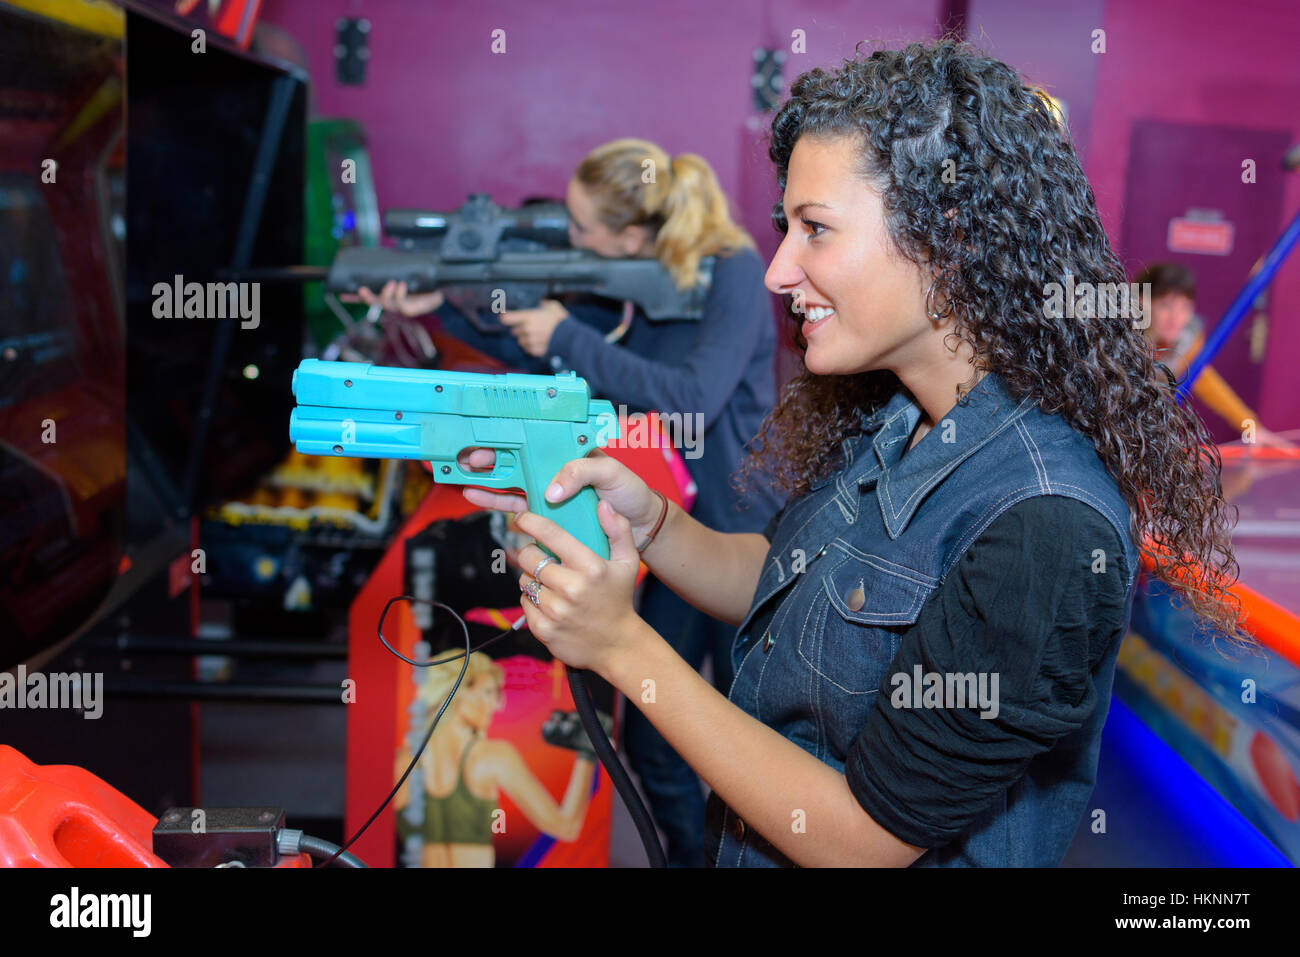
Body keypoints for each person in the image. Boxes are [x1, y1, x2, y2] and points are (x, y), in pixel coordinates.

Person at [460, 40, 1249, 866]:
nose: (776, 269)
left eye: (816, 230)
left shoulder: (1045, 522)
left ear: (947, 237)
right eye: (785, 228)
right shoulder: (895, 416)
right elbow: (784, 578)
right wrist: (646, 520)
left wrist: (624, 647)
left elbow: (864, 838)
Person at [361, 139, 783, 866]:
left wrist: (565, 333)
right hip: (658, 525)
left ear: (630, 237)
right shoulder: (630, 275)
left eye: (583, 229)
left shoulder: (735, 268)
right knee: (656, 739)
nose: (570, 238)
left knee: (754, 739)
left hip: (739, 531)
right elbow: (567, 366)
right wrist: (445, 309)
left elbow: (692, 395)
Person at [393, 651, 596, 868]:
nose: (497, 704)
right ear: (457, 693)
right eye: (488, 692)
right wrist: (588, 751)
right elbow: (566, 827)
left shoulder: (404, 762)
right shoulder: (492, 757)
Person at [1137, 261, 1292, 448]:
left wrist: (1252, 427)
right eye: (1165, 305)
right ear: (1142, 301)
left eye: (1185, 307)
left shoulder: (1186, 342)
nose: (1176, 318)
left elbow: (1214, 389)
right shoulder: (1121, 337)